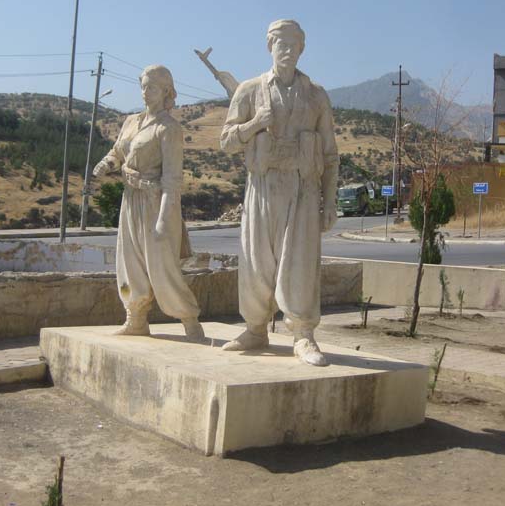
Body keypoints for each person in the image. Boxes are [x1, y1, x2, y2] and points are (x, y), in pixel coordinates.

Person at [219, 19, 339, 366]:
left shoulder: (316, 96)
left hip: (303, 188)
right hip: (263, 185)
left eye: (293, 45)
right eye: (280, 44)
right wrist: (255, 123)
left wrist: (329, 201)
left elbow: (330, 155)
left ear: (302, 49)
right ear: (269, 47)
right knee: (256, 262)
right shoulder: (250, 90)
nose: (287, 51)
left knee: (300, 263)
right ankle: (255, 328)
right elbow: (226, 141)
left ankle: (303, 335)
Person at [92, 65, 205, 343]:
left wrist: (166, 216)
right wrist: (108, 163)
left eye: (152, 87)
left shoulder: (169, 128)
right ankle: (136, 318)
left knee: (162, 265)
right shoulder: (132, 121)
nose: (145, 92)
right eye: (143, 86)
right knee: (129, 261)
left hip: (156, 201)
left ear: (166, 91)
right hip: (130, 199)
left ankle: (190, 320)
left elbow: (172, 179)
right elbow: (118, 150)